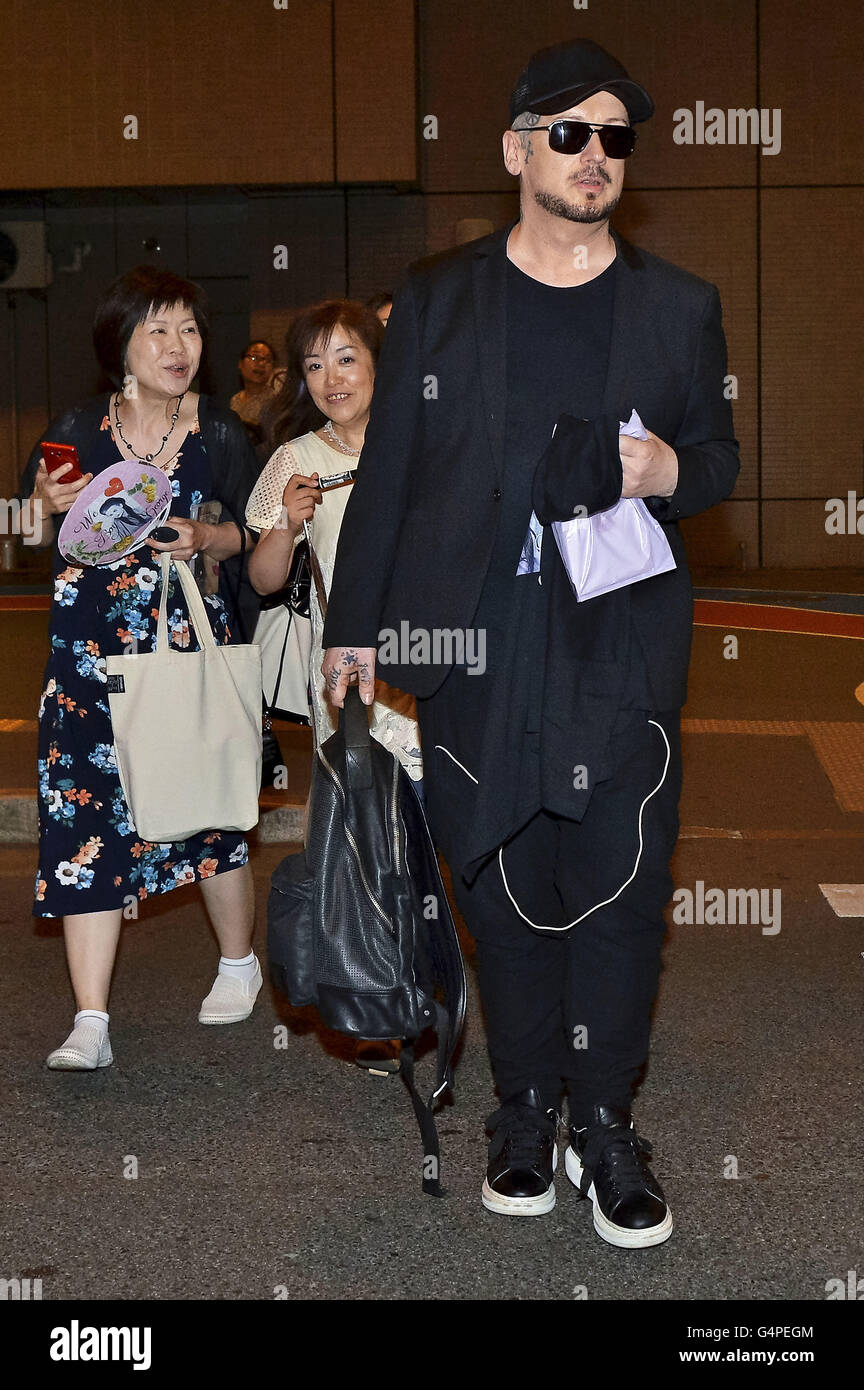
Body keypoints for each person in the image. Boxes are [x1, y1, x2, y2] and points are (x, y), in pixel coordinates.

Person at [320, 39, 740, 1245]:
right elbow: (389, 474)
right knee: (499, 894)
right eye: (571, 132)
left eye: (616, 137)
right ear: (516, 150)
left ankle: (605, 1122)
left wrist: (672, 470)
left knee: (617, 893)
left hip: (617, 640)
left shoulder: (680, 306)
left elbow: (717, 460)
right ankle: (522, 1112)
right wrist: (355, 634)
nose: (597, 154)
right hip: (473, 643)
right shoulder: (440, 297)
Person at [19, 266, 263, 1070]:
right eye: (158, 329)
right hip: (89, 653)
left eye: (189, 328)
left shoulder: (221, 434)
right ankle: (91, 1019)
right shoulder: (78, 430)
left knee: (206, 808)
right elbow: (23, 531)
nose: (178, 345)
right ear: (121, 346)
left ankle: (238, 960)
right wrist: (40, 509)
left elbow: (257, 544)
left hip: (183, 641)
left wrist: (209, 538)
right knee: (85, 822)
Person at [246, 299, 421, 1076]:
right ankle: (378, 998)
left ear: (381, 362)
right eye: (313, 364)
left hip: (428, 669)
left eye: (346, 357)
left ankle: (429, 976)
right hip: (344, 680)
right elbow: (264, 578)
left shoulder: (421, 442)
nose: (330, 378)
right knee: (360, 843)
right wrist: (285, 522)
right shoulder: (295, 459)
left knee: (431, 837)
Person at [230, 340, 277, 426]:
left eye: (267, 359)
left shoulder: (274, 402)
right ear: (240, 364)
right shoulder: (235, 399)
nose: (261, 363)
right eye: (254, 357)